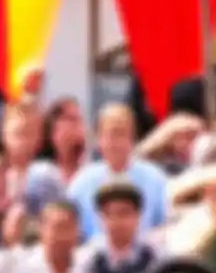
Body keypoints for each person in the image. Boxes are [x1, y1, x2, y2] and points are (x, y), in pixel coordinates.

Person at [66, 103, 169, 240]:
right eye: (111, 134)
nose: (116, 142)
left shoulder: (155, 179)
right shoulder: (81, 182)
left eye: (121, 133)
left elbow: (166, 225)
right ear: (99, 139)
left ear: (132, 137)